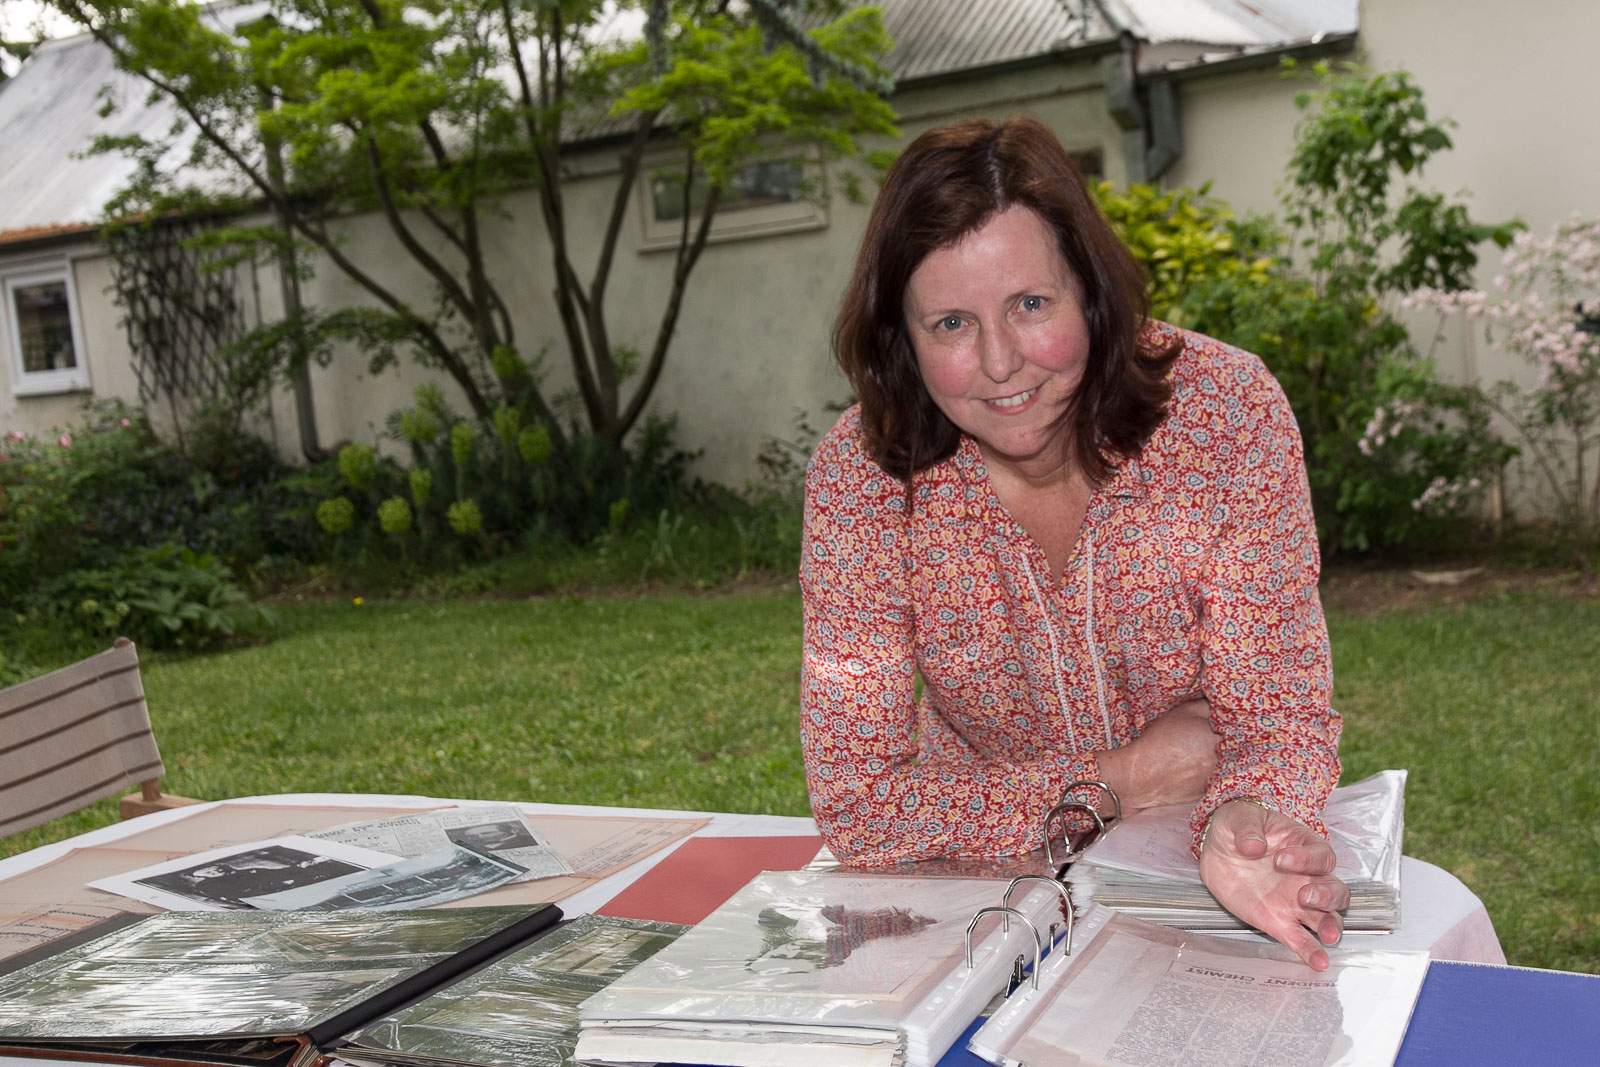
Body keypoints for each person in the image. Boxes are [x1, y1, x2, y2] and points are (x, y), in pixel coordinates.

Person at [799, 117, 1348, 970]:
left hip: (1197, 893)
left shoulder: (1225, 413)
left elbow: (1276, 722)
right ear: (899, 339)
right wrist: (1122, 779)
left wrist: (1250, 815)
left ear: (1089, 291)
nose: (1000, 362)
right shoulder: (864, 478)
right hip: (984, 913)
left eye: (1029, 305)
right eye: (949, 323)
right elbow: (860, 805)